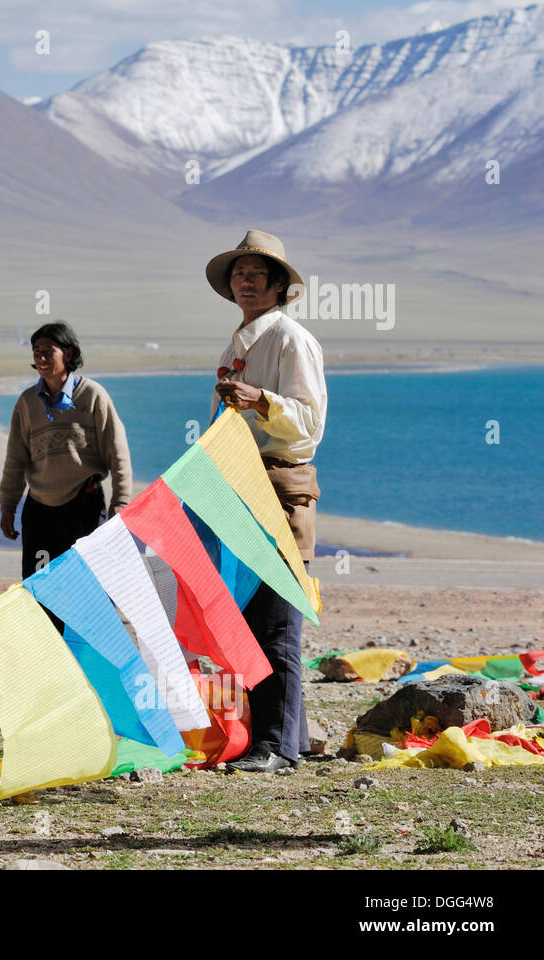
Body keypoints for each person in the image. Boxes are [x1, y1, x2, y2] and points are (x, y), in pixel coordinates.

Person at [204, 229, 327, 773]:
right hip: (238, 491)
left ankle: (276, 745)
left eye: (258, 274)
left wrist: (263, 400)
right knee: (251, 619)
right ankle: (285, 737)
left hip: (277, 491)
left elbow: (310, 423)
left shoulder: (291, 341)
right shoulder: (236, 347)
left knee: (277, 621)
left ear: (279, 286)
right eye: (239, 274)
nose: (246, 281)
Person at [0, 322, 133, 581]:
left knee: (84, 585)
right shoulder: (27, 402)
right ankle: (46, 625)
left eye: (48, 351)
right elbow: (15, 460)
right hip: (38, 509)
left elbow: (118, 451)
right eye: (36, 351)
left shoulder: (93, 395)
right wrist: (7, 507)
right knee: (40, 587)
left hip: (84, 506)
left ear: (68, 354)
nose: (40, 357)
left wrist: (121, 500)